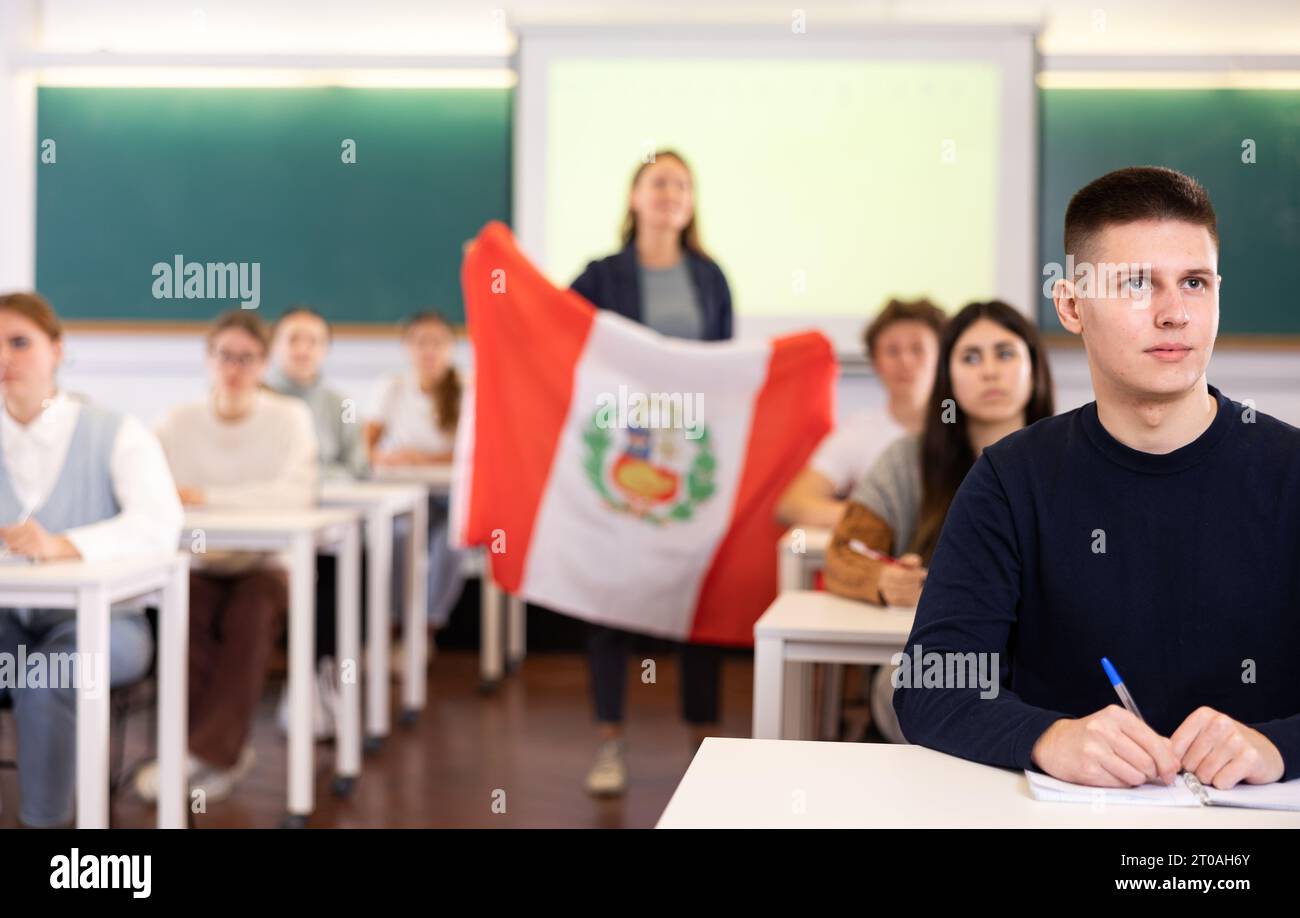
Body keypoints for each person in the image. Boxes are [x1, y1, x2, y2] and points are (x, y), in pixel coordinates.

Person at [895, 166, 1298, 790]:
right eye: (1137, 283)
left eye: (1194, 283)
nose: (1173, 314)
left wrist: (1278, 747)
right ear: (1071, 305)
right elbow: (931, 685)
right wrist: (1047, 737)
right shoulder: (1010, 479)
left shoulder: (1290, 472)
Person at [570, 149, 733, 797]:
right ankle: (609, 741)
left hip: (686, 458)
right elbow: (558, 336)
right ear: (634, 196)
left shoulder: (709, 275)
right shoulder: (602, 274)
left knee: (697, 595)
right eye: (658, 181)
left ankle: (702, 739)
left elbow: (724, 370)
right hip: (617, 455)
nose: (670, 192)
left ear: (691, 203)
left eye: (682, 184)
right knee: (609, 599)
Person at [824, 299, 1054, 741]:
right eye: (970, 357)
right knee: (905, 685)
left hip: (1046, 660)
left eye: (1005, 353)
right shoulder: (907, 460)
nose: (989, 370)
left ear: (1033, 367)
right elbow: (843, 552)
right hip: (948, 664)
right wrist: (882, 579)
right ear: (946, 375)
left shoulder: (1070, 457)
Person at [0, 292, 182, 828]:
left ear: (58, 350)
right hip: (8, 622)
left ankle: (49, 830)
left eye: (19, 343)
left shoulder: (115, 432)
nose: (4, 359)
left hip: (104, 626)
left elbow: (159, 524)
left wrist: (65, 545)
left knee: (45, 675)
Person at [136, 310, 319, 803]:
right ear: (208, 359)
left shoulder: (290, 419)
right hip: (199, 562)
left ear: (264, 363)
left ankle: (212, 755)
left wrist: (206, 497)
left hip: (265, 563)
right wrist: (203, 499)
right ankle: (190, 750)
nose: (233, 368)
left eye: (247, 358)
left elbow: (295, 495)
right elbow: (149, 489)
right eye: (224, 356)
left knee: (252, 615)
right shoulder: (178, 421)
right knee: (185, 614)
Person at [268, 305, 367, 739]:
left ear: (326, 350)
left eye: (313, 341)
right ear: (275, 346)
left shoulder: (340, 405)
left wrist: (307, 476)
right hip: (269, 527)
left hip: (323, 525)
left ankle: (321, 675)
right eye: (293, 339)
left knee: (344, 563)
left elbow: (360, 470)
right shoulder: (259, 398)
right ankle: (301, 679)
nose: (303, 349)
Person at [776, 299, 945, 529]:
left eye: (918, 349)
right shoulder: (859, 431)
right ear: (876, 363)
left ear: (942, 358)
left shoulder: (960, 425)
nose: (905, 361)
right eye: (892, 351)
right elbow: (792, 506)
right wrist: (874, 518)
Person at [365, 311, 466, 635]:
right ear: (407, 348)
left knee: (452, 542)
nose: (429, 351)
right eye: (421, 342)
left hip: (451, 497)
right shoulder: (392, 388)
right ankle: (393, 623)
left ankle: (428, 624)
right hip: (405, 495)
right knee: (396, 536)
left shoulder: (467, 389)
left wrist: (420, 459)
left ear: (451, 348)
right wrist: (388, 459)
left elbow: (475, 452)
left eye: (437, 343)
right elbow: (366, 448)